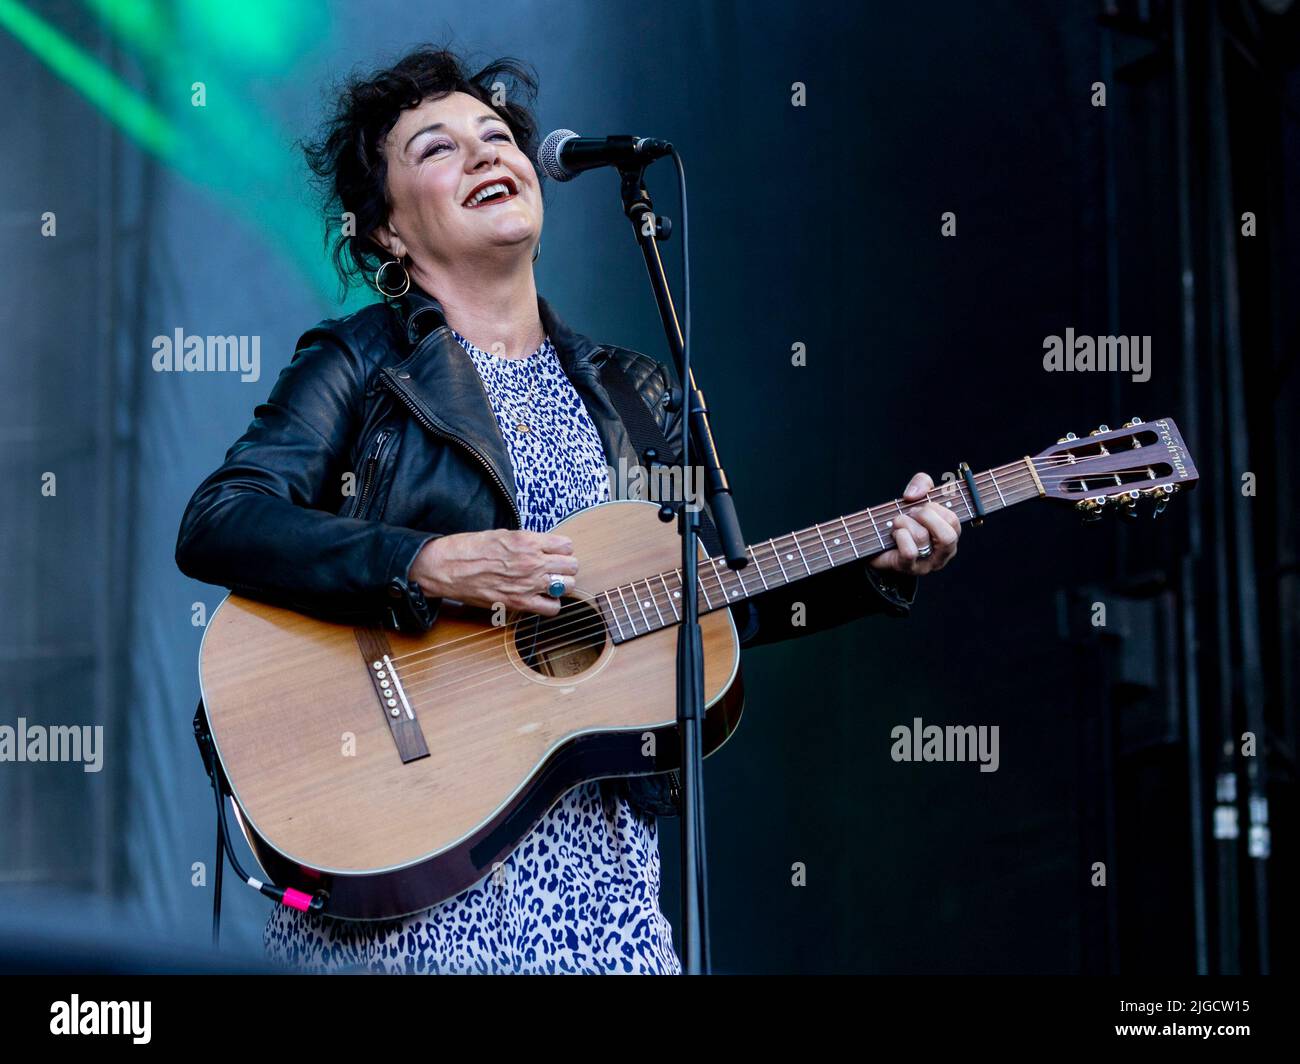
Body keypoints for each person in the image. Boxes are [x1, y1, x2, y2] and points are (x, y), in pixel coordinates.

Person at [175, 45, 960, 975]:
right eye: (437, 148)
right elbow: (221, 517)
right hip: (405, 869)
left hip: (601, 895)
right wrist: (421, 565)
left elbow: (706, 611)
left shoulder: (635, 393)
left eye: (498, 136)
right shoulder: (359, 361)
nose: (485, 155)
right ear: (385, 231)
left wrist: (874, 569)